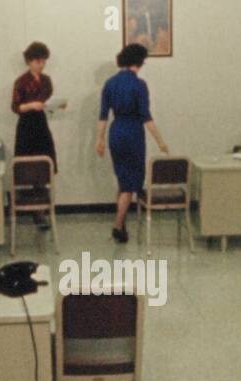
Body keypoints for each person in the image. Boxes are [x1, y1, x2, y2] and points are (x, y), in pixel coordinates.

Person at [95, 43, 169, 243]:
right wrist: (161, 141)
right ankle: (117, 226)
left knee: (122, 179)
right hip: (133, 133)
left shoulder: (109, 83)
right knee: (131, 184)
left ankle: (122, 225)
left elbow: (103, 115)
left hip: (116, 131)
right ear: (140, 62)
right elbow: (146, 117)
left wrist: (99, 139)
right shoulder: (139, 85)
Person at [12, 41, 61, 230]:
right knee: (29, 164)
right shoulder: (21, 81)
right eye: (38, 61)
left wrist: (54, 105)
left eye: (43, 61)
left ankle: (42, 206)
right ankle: (36, 211)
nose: (41, 65)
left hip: (41, 123)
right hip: (26, 125)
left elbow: (48, 102)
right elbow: (16, 107)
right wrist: (32, 105)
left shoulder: (46, 80)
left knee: (45, 162)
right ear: (30, 61)